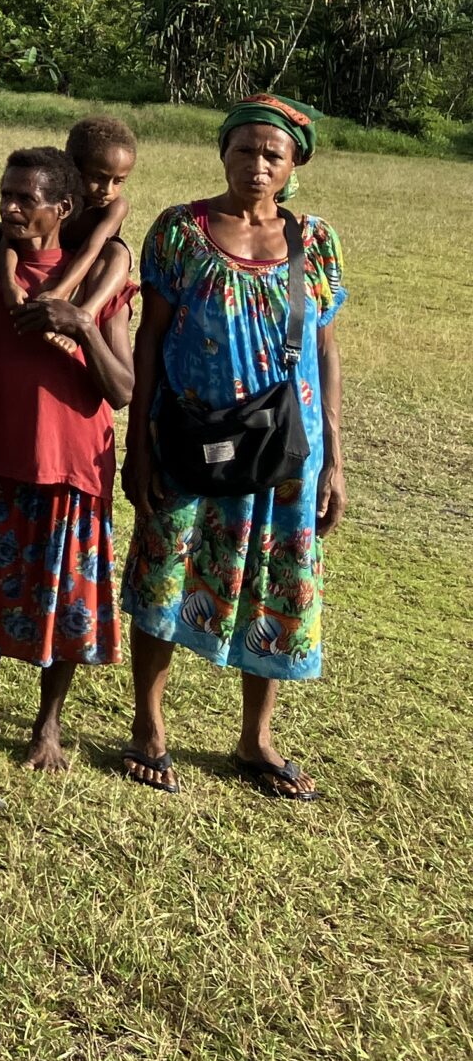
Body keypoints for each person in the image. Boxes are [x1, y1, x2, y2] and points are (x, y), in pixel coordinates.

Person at [119, 96, 347, 801]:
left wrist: (334, 453)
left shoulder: (316, 242)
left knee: (274, 584)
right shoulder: (181, 232)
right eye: (244, 149)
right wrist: (140, 441)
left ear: (293, 165)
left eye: (271, 155)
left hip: (286, 453)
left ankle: (255, 738)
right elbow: (149, 338)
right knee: (166, 574)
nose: (256, 165)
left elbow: (327, 349)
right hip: (191, 440)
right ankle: (149, 728)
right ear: (223, 151)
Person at [0, 147, 134, 770]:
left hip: (71, 460)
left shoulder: (101, 274)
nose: (12, 206)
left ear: (61, 207)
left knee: (62, 598)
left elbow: (122, 389)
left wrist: (82, 327)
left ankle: (48, 725)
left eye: (27, 198)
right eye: (6, 194)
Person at [0, 115, 136, 355]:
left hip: (88, 267)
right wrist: (9, 285)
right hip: (43, 252)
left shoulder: (114, 207)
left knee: (119, 252)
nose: (108, 190)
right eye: (98, 177)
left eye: (119, 181)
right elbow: (10, 237)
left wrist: (59, 293)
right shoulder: (55, 193)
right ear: (75, 167)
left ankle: (84, 316)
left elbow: (91, 250)